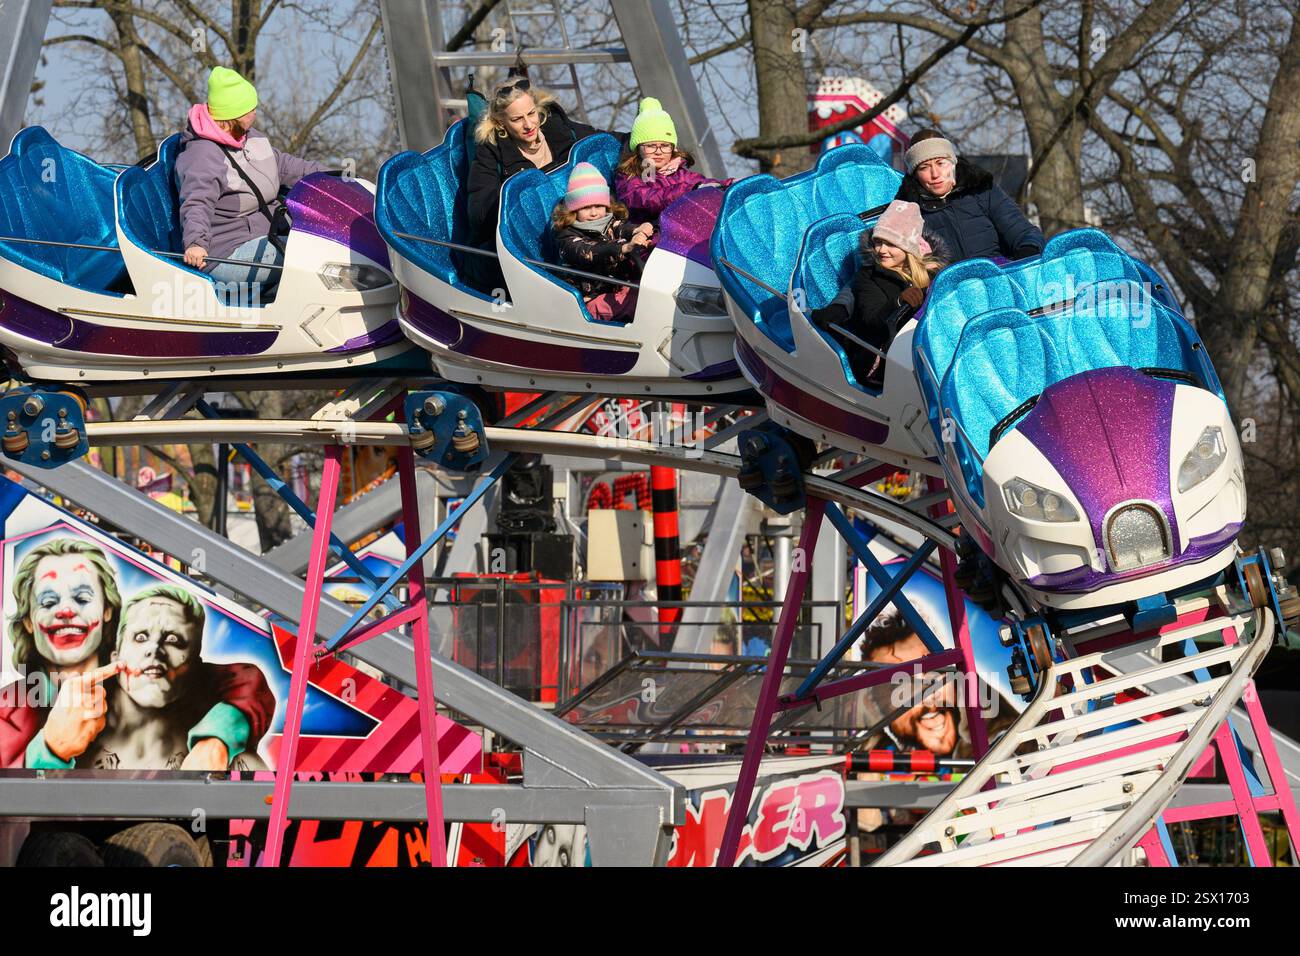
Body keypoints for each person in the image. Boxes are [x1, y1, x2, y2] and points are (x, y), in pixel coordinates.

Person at [0, 537, 273, 770]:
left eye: (82, 599)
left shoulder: (142, 677)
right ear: (28, 620)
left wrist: (218, 738)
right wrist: (49, 752)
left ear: (107, 610)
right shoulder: (11, 706)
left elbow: (244, 679)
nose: (66, 611)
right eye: (48, 602)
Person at [74, 584, 268, 770]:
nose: (154, 650)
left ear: (194, 664)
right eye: (141, 637)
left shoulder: (232, 759)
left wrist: (216, 739)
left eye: (173, 640)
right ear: (115, 656)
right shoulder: (74, 721)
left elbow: (248, 679)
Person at [176, 66, 328, 302]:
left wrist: (333, 177)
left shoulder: (250, 138)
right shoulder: (202, 155)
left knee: (327, 239)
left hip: (268, 233)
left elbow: (287, 167)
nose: (255, 113)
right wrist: (196, 243)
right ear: (231, 117)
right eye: (249, 109)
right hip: (228, 252)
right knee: (312, 256)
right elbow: (197, 202)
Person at [464, 76, 600, 292]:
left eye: (531, 113)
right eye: (517, 119)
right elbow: (479, 213)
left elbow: (601, 141)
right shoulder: (491, 152)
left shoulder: (559, 128)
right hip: (524, 244)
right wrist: (518, 196)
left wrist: (644, 146)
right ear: (501, 123)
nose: (528, 125)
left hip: (570, 228)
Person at [809, 200, 946, 387]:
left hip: (927, 346)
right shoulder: (869, 277)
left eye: (890, 244)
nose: (881, 250)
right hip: (885, 356)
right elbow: (871, 319)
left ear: (909, 248)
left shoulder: (933, 273)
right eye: (878, 243)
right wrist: (899, 301)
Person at [894, 129, 1044, 263]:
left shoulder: (982, 190)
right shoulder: (907, 212)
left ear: (953, 163)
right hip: (948, 291)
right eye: (924, 167)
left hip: (999, 279)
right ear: (915, 174)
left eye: (940, 163)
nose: (935, 174)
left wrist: (1027, 253)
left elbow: (1023, 232)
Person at [552, 162, 651, 323]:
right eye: (586, 207)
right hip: (590, 299)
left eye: (598, 206)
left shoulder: (607, 220)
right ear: (573, 210)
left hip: (615, 284)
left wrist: (638, 229)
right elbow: (589, 251)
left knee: (653, 290)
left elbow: (620, 228)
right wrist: (625, 247)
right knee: (642, 306)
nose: (593, 213)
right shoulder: (566, 236)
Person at [859, 608, 964, 757]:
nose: (929, 697)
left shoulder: (1000, 741)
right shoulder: (865, 765)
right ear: (872, 705)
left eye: (935, 672)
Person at [613, 97, 732, 228]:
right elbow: (644, 198)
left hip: (681, 232)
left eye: (664, 145)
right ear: (638, 148)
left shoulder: (680, 174)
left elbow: (702, 183)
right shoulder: (628, 175)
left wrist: (730, 184)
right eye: (651, 146)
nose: (658, 152)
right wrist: (686, 190)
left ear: (672, 148)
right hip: (647, 237)